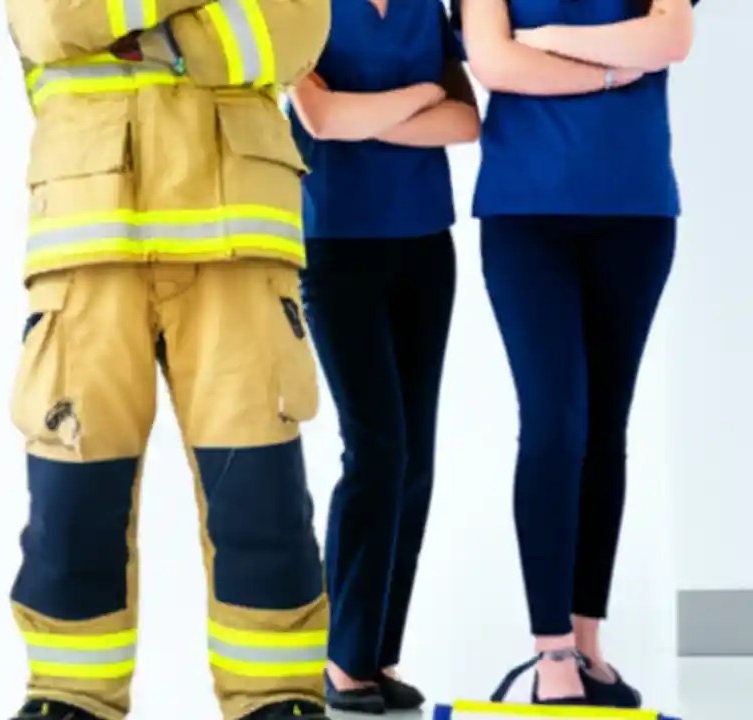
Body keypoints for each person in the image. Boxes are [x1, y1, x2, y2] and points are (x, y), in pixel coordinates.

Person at [2, 1, 332, 718]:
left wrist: (123, 32)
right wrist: (193, 35)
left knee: (259, 495)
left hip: (238, 232)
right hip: (90, 232)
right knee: (74, 493)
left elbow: (292, 35)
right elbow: (52, 22)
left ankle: (277, 694)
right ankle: (70, 694)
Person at [454, 0, 696, 707]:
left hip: (637, 211)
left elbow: (671, 38)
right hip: (526, 215)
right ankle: (551, 651)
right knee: (555, 424)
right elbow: (496, 62)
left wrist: (554, 41)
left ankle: (588, 641)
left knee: (604, 431)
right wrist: (617, 69)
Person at [286, 0, 479, 713]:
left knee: (414, 459)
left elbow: (467, 121)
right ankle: (341, 657)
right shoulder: (305, 8)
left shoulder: (426, 7)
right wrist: (421, 95)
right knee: (376, 450)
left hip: (425, 245)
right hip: (335, 245)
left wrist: (367, 115)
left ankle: (376, 654)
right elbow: (319, 118)